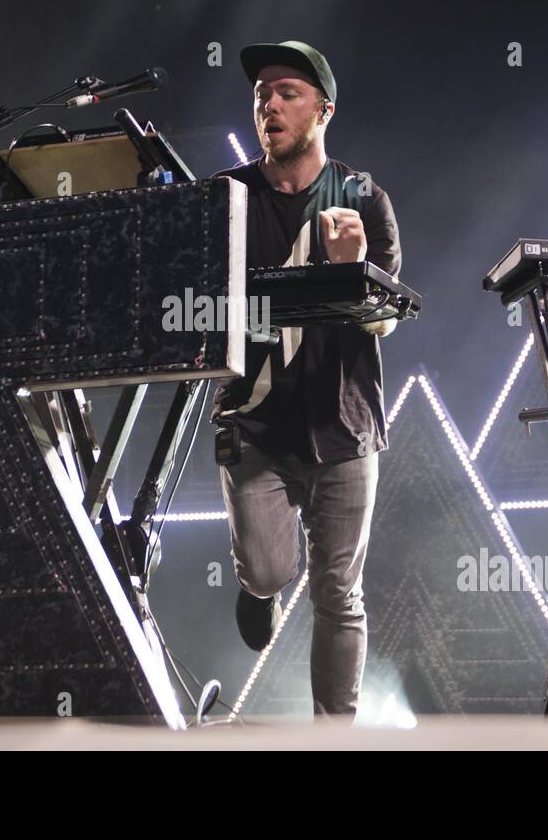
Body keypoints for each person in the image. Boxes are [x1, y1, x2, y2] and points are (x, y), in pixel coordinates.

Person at [211, 40, 402, 716]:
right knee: (268, 568)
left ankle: (334, 734)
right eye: (261, 93)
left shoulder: (363, 198)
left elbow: (385, 325)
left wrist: (355, 269)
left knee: (338, 593)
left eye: (286, 92)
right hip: (254, 422)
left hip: (344, 427)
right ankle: (257, 587)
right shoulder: (226, 198)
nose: (269, 104)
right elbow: (199, 305)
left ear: (324, 109)